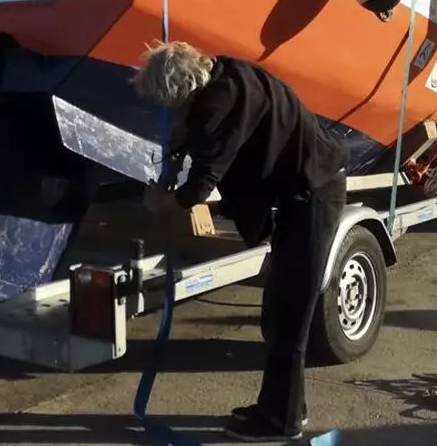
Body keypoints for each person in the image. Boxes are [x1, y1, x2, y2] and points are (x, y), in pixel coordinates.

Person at [133, 40, 347, 442]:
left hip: (312, 194)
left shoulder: (219, 106)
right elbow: (216, 135)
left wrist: (163, 202)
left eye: (168, 105)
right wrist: (183, 141)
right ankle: (285, 407)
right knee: (280, 311)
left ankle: (279, 424)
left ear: (181, 95)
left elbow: (200, 188)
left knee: (289, 317)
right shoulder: (225, 71)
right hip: (301, 191)